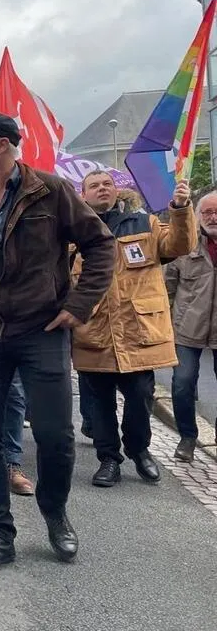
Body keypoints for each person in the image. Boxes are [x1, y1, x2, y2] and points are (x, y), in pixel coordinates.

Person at [0, 113, 115, 572]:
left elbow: (101, 245)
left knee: (55, 436)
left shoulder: (50, 192)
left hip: (42, 331)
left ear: (3, 145)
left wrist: (79, 304)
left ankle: (55, 513)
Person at [75, 173, 195, 486]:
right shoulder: (73, 232)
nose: (102, 188)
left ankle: (139, 450)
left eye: (107, 184)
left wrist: (180, 208)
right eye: (94, 185)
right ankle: (108, 459)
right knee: (99, 404)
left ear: (116, 191)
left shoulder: (145, 223)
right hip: (94, 331)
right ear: (83, 195)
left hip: (137, 331)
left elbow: (181, 244)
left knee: (141, 396)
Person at [164, 190, 217, 463]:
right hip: (187, 329)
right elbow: (167, 287)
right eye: (206, 212)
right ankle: (187, 437)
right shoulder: (187, 245)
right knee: (182, 384)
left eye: (216, 211)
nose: (212, 217)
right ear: (197, 217)